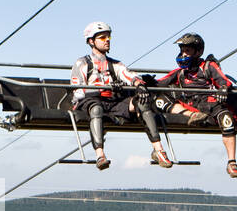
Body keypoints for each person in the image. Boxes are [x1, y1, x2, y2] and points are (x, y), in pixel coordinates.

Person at [70, 21, 173, 170]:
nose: (107, 41)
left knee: (142, 102)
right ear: (91, 41)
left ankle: (159, 150)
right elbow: (78, 91)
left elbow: (129, 75)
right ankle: (100, 155)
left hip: (114, 102)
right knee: (96, 109)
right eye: (102, 37)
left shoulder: (115, 65)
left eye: (108, 37)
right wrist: (101, 89)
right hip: (91, 101)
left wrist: (139, 86)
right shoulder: (82, 63)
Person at [154, 32, 237, 178]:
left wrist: (222, 89)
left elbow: (223, 80)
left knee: (227, 119)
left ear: (198, 51)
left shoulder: (208, 66)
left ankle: (232, 162)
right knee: (158, 99)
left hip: (211, 105)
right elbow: (159, 83)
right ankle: (193, 116)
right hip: (190, 108)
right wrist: (144, 82)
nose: (183, 54)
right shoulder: (180, 73)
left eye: (187, 51)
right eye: (182, 51)